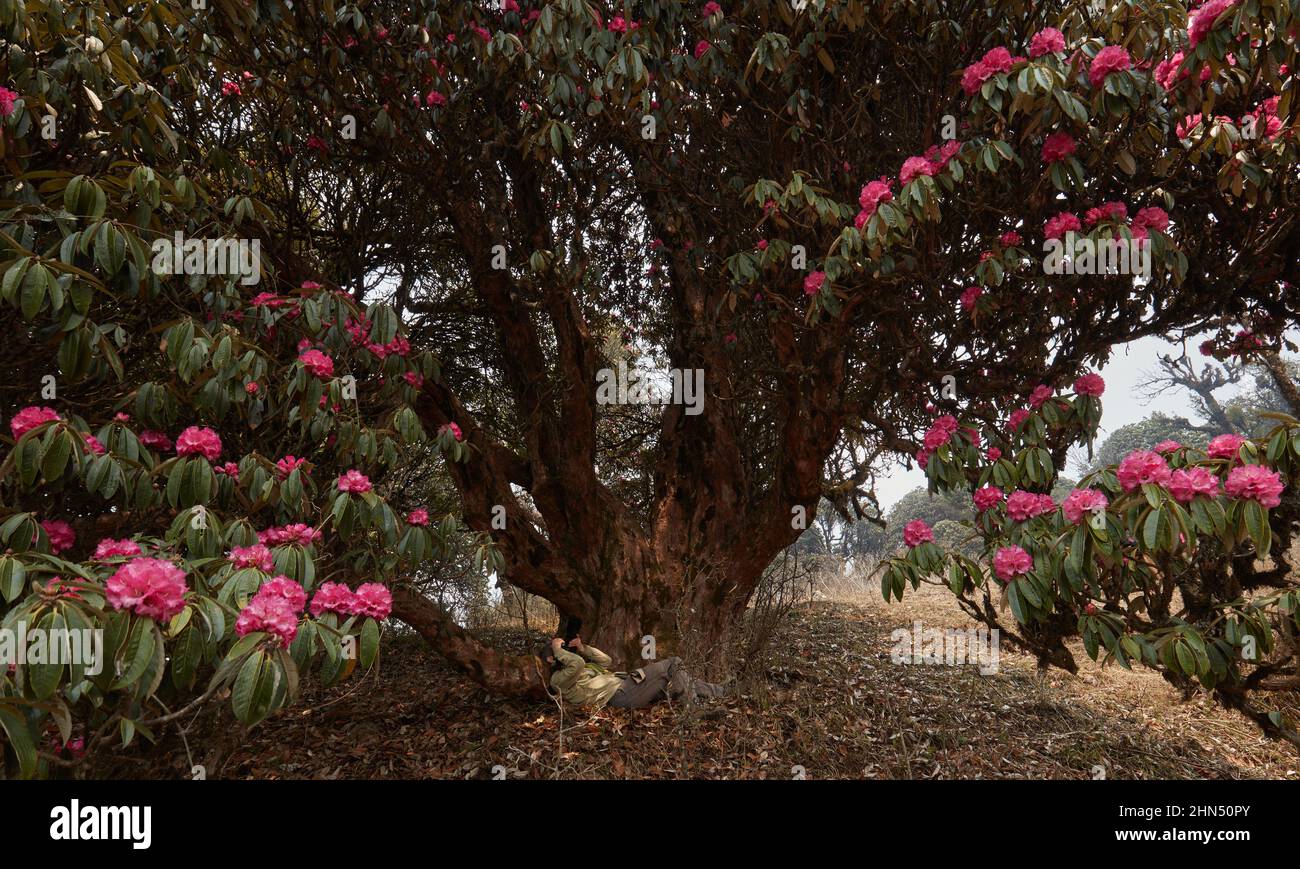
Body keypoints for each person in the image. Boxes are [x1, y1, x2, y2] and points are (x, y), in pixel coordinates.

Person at [538, 636, 728, 709]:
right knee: (673, 663)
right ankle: (693, 708)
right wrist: (558, 650)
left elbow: (607, 661)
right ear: (552, 659)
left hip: (627, 686)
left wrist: (583, 648)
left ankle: (723, 692)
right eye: (557, 652)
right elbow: (577, 664)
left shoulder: (577, 668)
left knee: (679, 678)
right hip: (620, 694)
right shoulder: (558, 680)